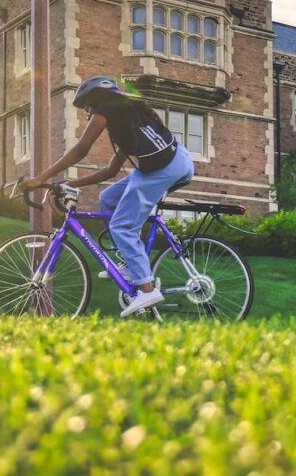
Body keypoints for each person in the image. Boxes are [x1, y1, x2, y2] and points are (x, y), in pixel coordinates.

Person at [23, 76, 194, 317]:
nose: (88, 113)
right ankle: (127, 264)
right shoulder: (128, 119)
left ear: (96, 99)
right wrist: (69, 183)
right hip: (175, 161)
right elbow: (111, 171)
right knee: (108, 199)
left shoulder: (107, 110)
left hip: (164, 167)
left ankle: (146, 290)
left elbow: (82, 149)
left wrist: (41, 178)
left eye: (87, 107)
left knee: (122, 225)